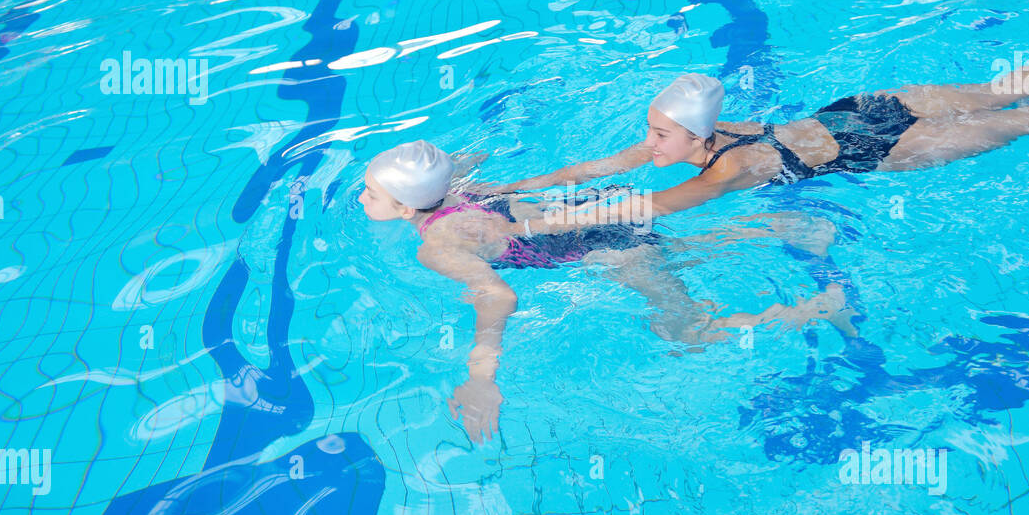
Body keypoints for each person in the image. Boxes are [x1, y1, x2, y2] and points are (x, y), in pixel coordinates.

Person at [481, 19, 1029, 233]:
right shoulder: (703, 135)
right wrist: (515, 186)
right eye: (652, 133)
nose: (651, 146)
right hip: (859, 109)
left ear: (700, 138)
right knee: (1008, 97)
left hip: (885, 140)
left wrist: (537, 226)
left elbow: (647, 204)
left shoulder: (727, 167)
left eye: (662, 137)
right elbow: (598, 171)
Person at [359, 140, 858, 443]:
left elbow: (499, 296)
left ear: (407, 210)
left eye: (371, 193)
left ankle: (817, 307)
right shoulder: (462, 188)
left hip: (605, 250)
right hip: (594, 208)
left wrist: (480, 376)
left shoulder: (436, 245)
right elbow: (459, 160)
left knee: (688, 332)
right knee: (670, 248)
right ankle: (774, 226)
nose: (361, 198)